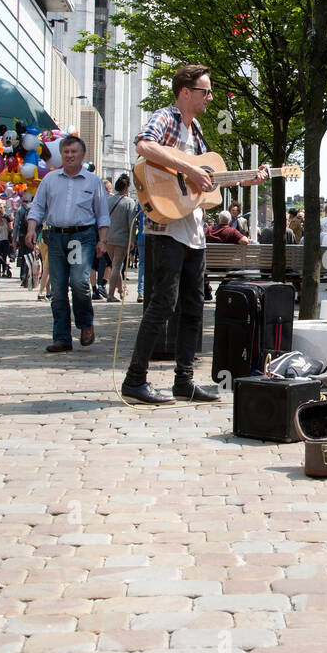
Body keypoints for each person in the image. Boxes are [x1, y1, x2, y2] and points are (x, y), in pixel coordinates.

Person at [120, 63, 268, 404]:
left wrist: (248, 179)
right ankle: (135, 379)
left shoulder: (197, 128)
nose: (210, 97)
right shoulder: (166, 118)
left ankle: (183, 381)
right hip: (165, 227)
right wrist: (188, 168)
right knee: (162, 305)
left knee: (194, 307)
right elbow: (143, 146)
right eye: (205, 91)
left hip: (194, 232)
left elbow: (210, 178)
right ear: (186, 92)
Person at [26, 135, 110, 353]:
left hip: (82, 237)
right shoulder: (50, 180)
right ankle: (62, 337)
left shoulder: (94, 181)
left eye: (74, 152)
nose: (70, 155)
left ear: (82, 155)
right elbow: (37, 208)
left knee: (80, 283)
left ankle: (85, 323)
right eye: (66, 152)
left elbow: (102, 214)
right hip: (55, 237)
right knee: (58, 288)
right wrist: (31, 229)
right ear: (61, 155)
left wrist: (103, 240)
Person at [105, 174, 140, 302]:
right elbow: (131, 223)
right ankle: (110, 294)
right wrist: (132, 241)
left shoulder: (108, 200)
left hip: (108, 237)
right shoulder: (129, 202)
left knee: (115, 265)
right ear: (127, 187)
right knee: (117, 266)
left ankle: (120, 291)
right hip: (122, 238)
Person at [0, 204, 12, 277]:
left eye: (1, 214)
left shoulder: (5, 221)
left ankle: (4, 271)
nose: (0, 215)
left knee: (4, 256)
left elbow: (9, 229)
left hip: (5, 240)